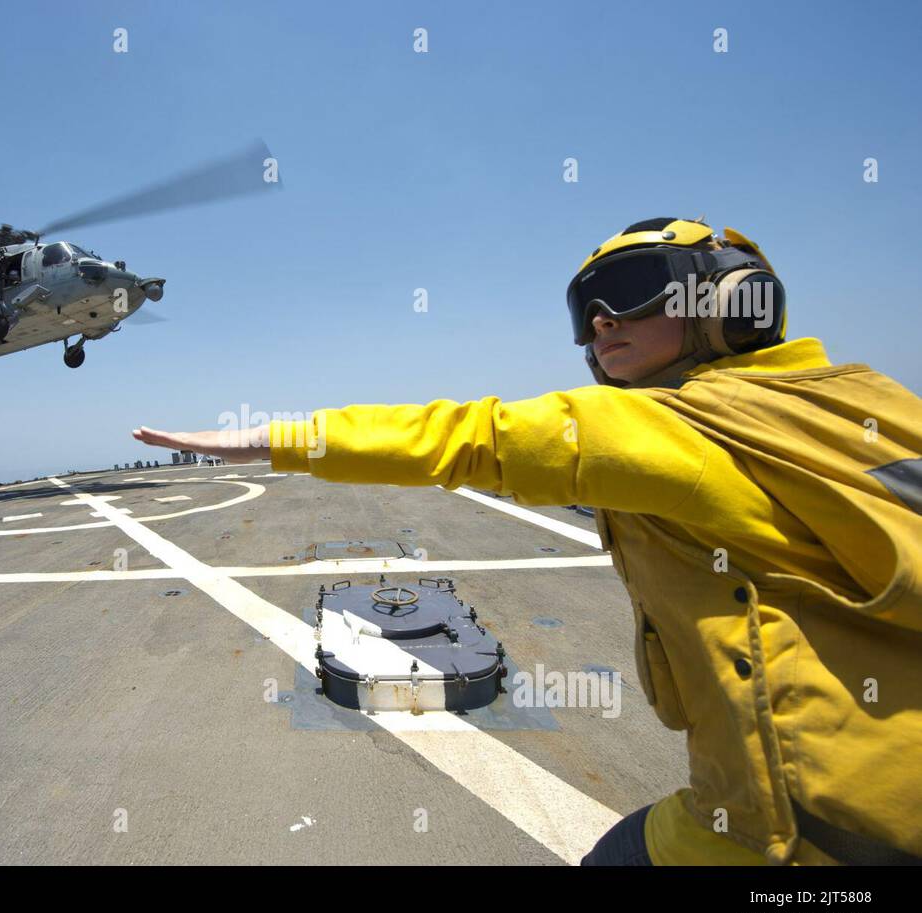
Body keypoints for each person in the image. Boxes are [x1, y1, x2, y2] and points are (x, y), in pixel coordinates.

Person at [132, 217, 922, 865]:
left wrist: (266, 438)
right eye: (588, 309)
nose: (603, 322)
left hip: (801, 833)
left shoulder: (679, 424)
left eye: (633, 291)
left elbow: (468, 438)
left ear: (732, 298)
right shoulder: (870, 399)